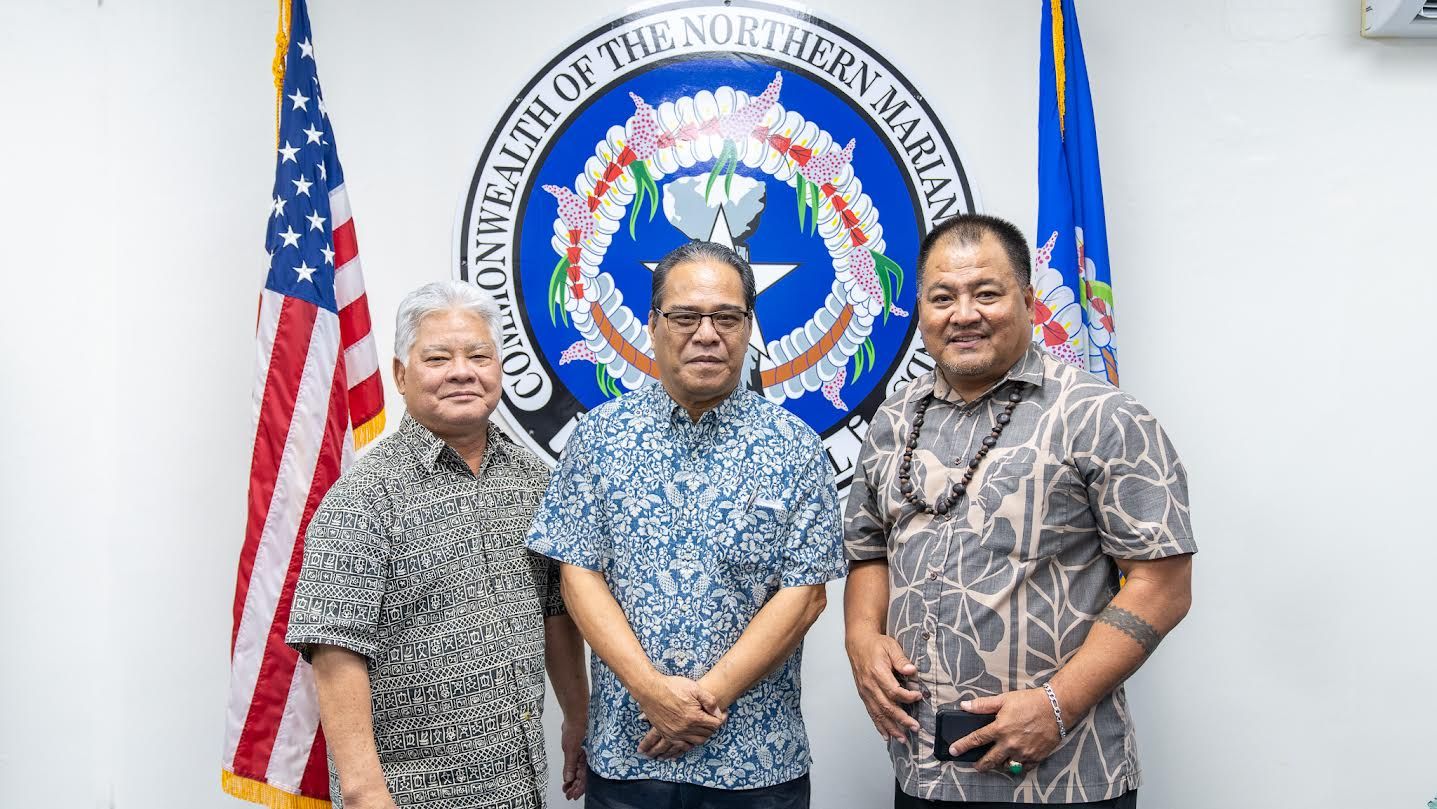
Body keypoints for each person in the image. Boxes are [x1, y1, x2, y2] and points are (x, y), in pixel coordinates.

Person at [844, 214, 1196, 808]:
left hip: (1065, 777)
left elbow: (1163, 586)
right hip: (922, 774)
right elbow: (868, 550)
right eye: (943, 298)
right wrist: (860, 638)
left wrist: (1057, 706)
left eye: (987, 293)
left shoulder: (1103, 417)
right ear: (920, 311)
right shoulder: (892, 421)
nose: (964, 314)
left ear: (1028, 301)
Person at [527, 241, 844, 809]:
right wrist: (651, 693)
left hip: (758, 763)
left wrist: (696, 706)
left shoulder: (794, 446)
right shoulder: (600, 438)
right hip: (628, 756)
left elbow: (805, 596)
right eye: (685, 316)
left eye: (727, 317)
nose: (707, 334)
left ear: (749, 326)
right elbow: (577, 576)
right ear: (652, 324)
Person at [285, 280, 589, 809]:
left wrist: (577, 719)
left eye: (479, 355)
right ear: (401, 375)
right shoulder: (363, 497)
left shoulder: (535, 481)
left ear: (499, 368)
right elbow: (333, 651)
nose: (462, 371)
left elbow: (557, 612)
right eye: (438, 357)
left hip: (519, 789)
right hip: (409, 794)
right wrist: (362, 793)